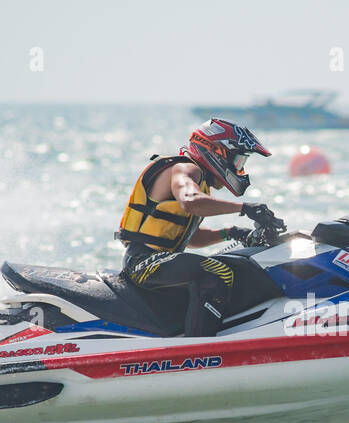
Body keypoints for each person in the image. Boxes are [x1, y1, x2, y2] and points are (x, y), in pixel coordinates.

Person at [115, 118, 283, 336]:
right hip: (143, 262)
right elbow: (190, 201)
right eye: (238, 162)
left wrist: (233, 233)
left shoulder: (200, 181)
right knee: (218, 272)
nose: (239, 170)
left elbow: (189, 239)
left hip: (155, 261)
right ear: (217, 152)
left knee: (222, 268)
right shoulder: (186, 169)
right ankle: (199, 346)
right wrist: (245, 208)